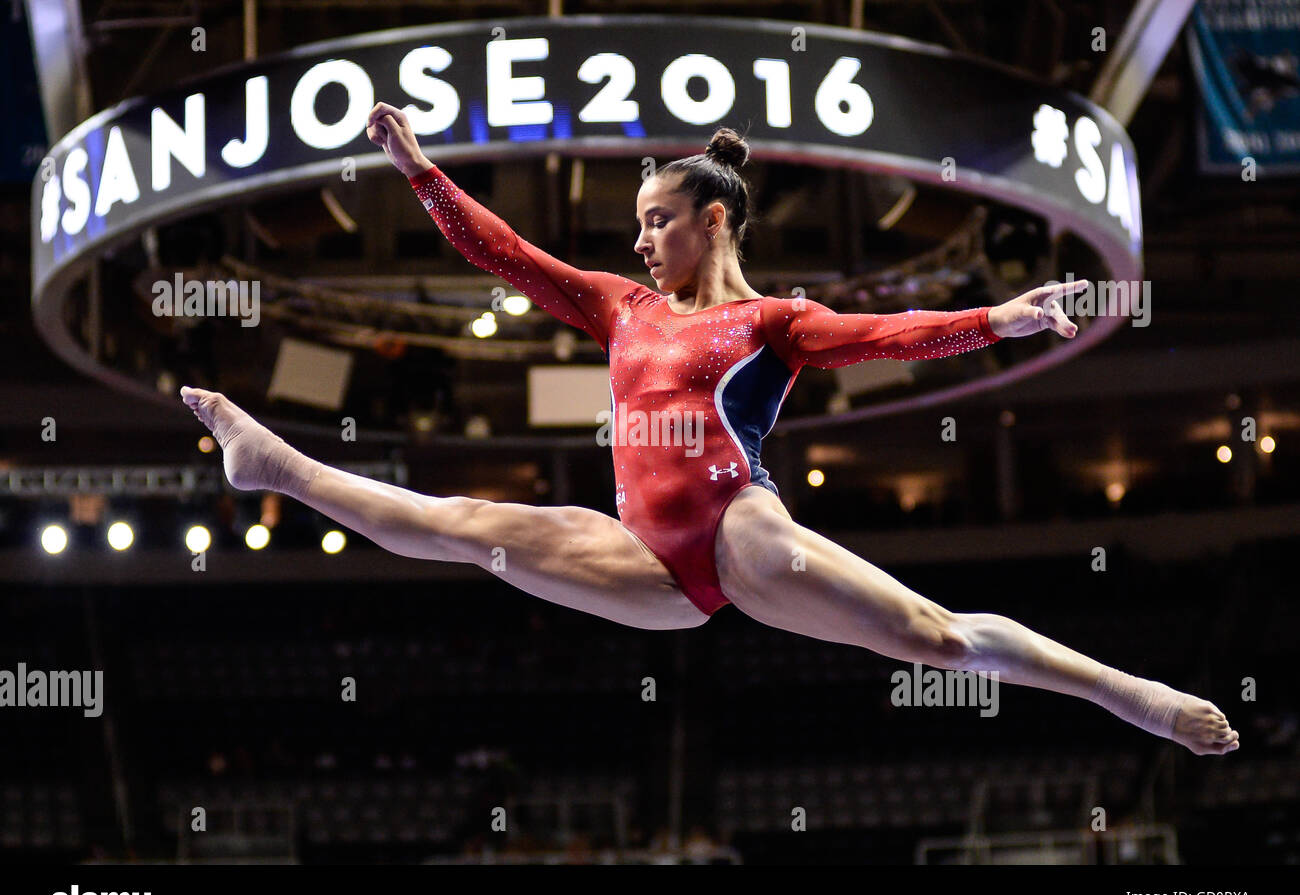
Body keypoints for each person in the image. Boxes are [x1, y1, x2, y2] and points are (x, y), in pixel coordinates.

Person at [178, 103, 1239, 757]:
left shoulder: (770, 321)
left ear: (712, 218)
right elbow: (509, 257)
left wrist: (995, 318)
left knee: (938, 637)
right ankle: (278, 464)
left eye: (655, 219)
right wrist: (419, 171)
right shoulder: (618, 308)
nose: (639, 240)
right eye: (636, 222)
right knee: (464, 523)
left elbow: (887, 334)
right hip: (648, 561)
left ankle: (1130, 696)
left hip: (738, 528)